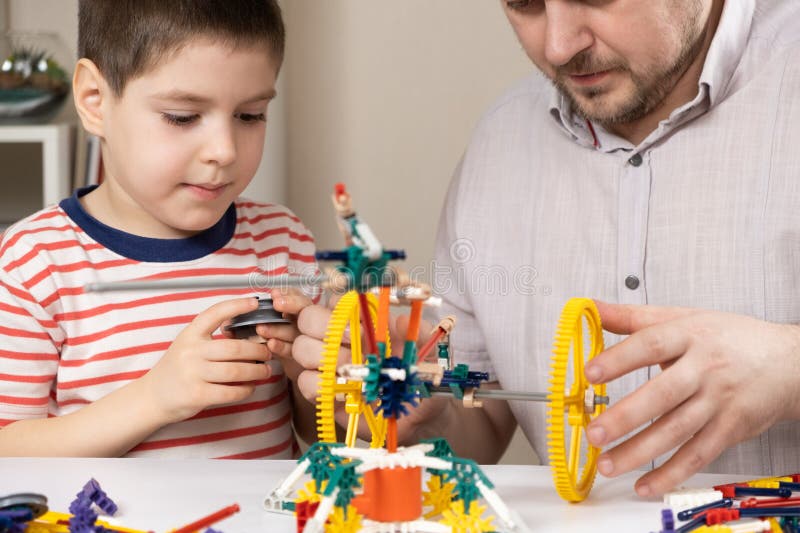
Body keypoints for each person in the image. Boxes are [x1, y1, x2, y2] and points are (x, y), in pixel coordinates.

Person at [287, 0, 800, 497]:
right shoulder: (501, 142)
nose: (557, 47)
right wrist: (427, 415)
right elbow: (480, 425)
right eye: (524, 2)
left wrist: (788, 367)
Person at [0, 0, 318, 458]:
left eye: (250, 115)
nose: (224, 150)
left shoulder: (280, 240)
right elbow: (7, 452)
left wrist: (304, 368)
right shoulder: (37, 261)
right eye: (182, 117)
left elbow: (321, 432)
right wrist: (154, 399)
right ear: (95, 100)